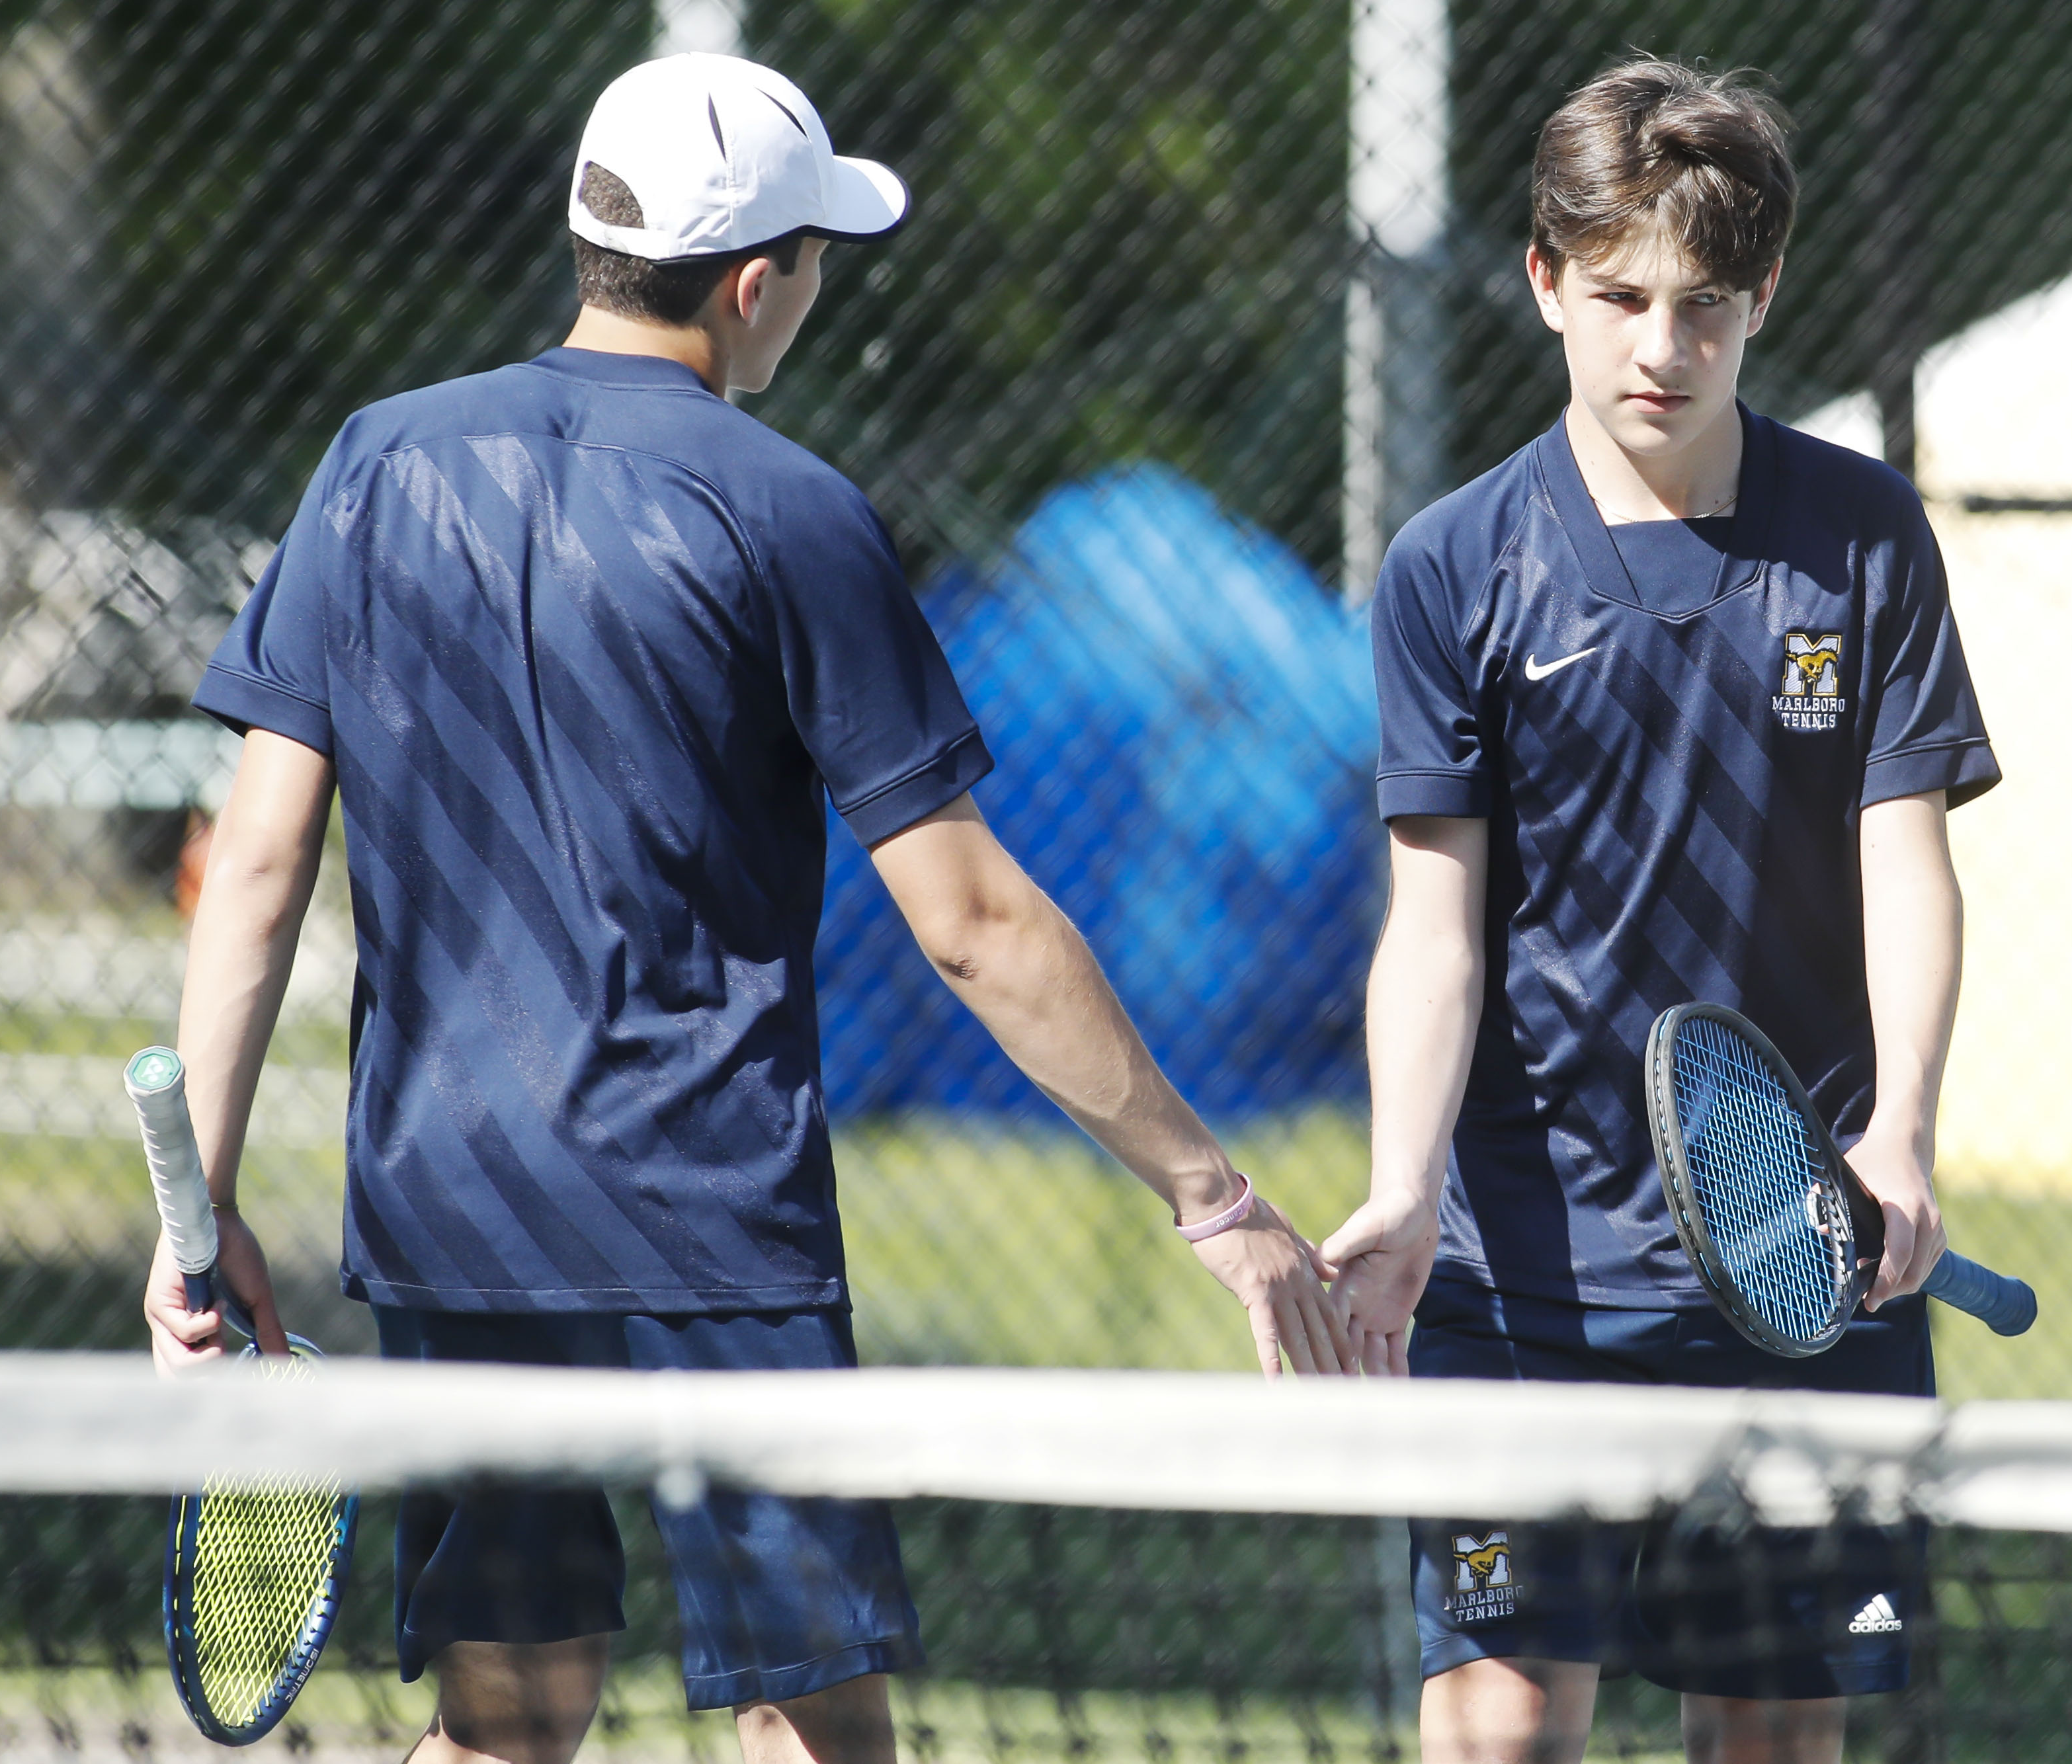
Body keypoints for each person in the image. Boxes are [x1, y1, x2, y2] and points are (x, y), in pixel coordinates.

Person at [144, 52, 1349, 1764]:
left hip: (448, 1201)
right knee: (814, 1717)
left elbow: (256, 868)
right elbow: (973, 923)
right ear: (754, 283)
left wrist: (193, 1214)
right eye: (813, 260)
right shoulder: (791, 510)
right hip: (709, 1211)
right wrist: (1212, 1192)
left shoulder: (372, 465)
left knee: (507, 1710)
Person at [1321, 56, 1999, 1764]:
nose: (1658, 346)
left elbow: (1902, 848)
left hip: (1803, 1276)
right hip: (1512, 1288)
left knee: (1771, 1739)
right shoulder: (1453, 567)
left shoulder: (1860, 537)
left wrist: (1899, 1134)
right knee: (1494, 1733)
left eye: (1704, 305)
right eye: (1618, 295)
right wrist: (1402, 1186)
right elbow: (1434, 920)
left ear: (1762, 298)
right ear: (1544, 279)